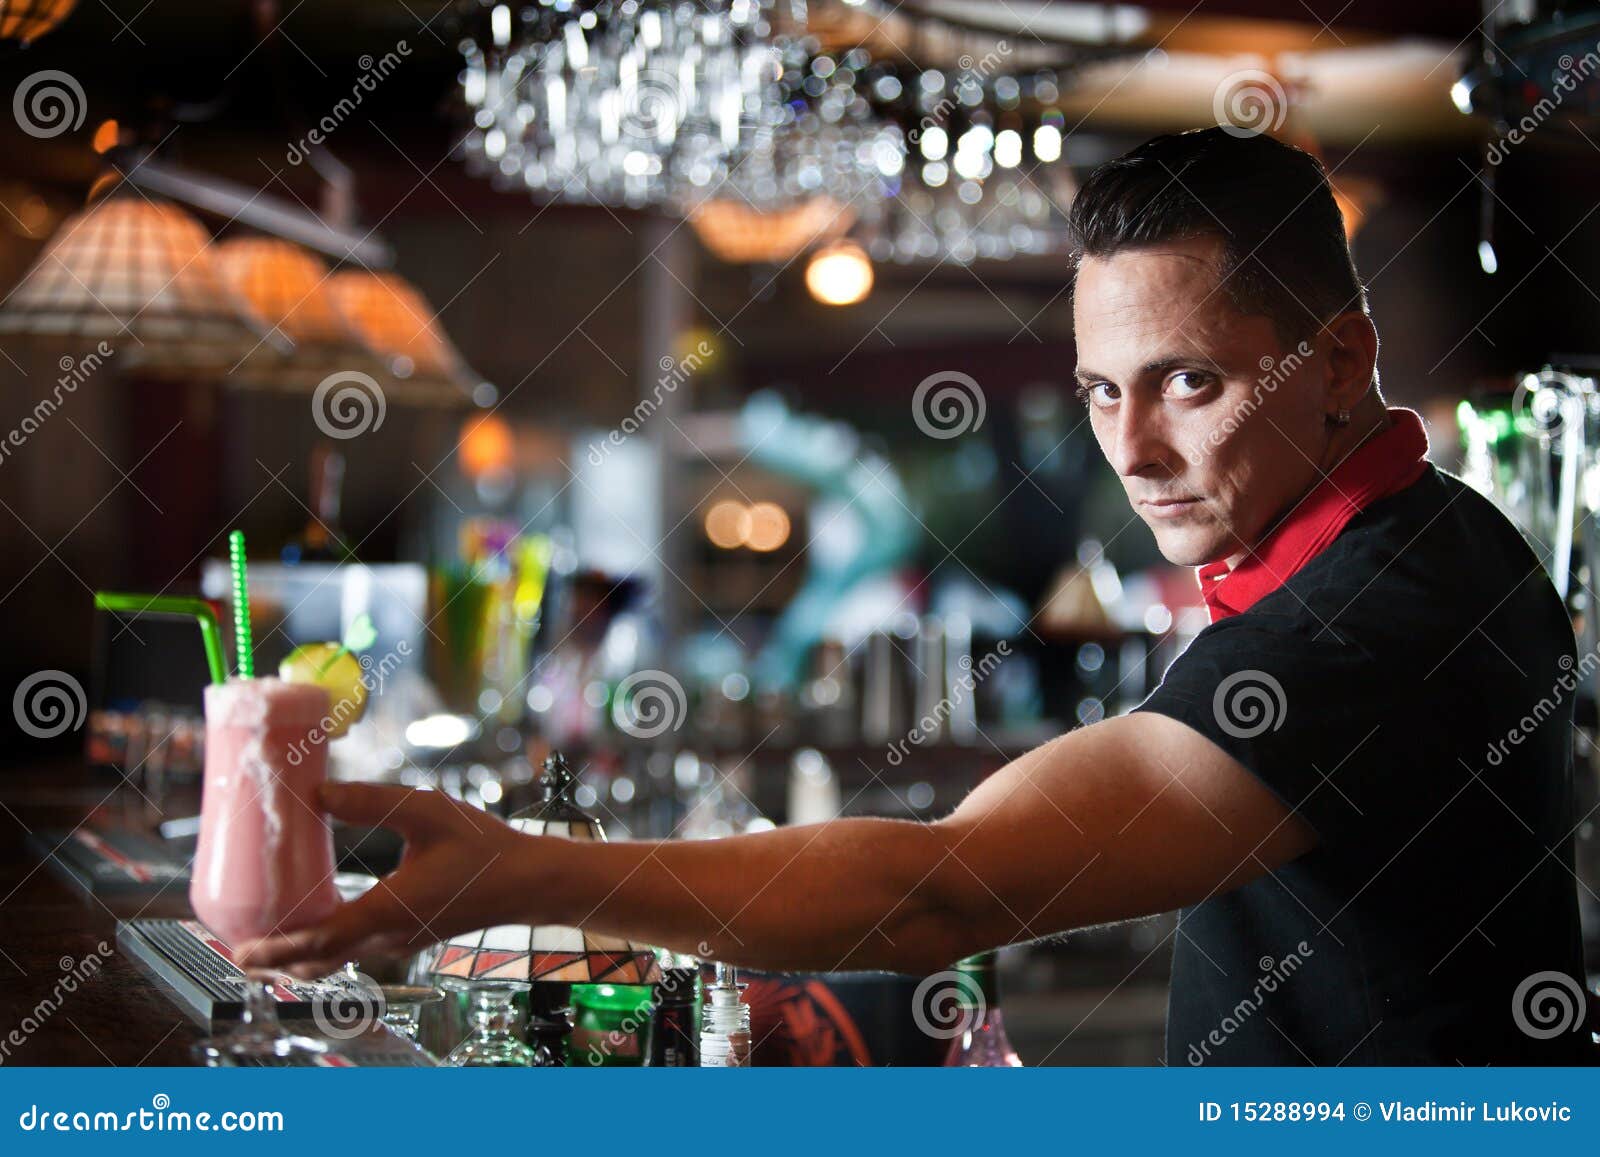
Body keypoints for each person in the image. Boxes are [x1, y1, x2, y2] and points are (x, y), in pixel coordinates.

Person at [243, 128, 1589, 1066]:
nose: (1132, 451)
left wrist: (516, 873)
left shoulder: (1384, 613)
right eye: (1103, 391)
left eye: (1192, 381)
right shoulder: (1402, 548)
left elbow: (942, 894)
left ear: (1340, 357)